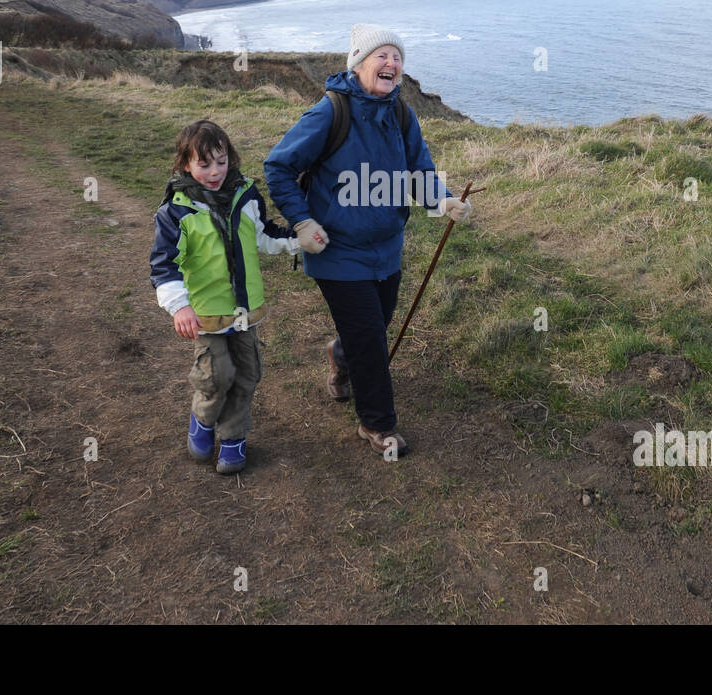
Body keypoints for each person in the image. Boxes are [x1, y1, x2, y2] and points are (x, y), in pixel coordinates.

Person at [264, 25, 472, 458]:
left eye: (397, 57)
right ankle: (377, 423)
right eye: (382, 56)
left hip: (386, 248)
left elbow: (420, 171)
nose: (392, 64)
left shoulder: (401, 114)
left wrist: (444, 201)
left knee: (373, 327)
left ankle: (341, 359)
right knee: (371, 341)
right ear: (358, 64)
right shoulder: (329, 112)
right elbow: (278, 167)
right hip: (336, 250)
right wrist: (301, 222)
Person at [150, 120, 299, 474]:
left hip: (246, 312)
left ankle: (233, 437)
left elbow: (264, 234)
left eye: (221, 161)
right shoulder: (176, 212)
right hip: (205, 314)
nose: (215, 171)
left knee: (247, 374)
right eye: (204, 164)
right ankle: (202, 421)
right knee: (217, 376)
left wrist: (300, 239)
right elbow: (163, 264)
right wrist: (179, 306)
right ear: (185, 164)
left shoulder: (246, 196)